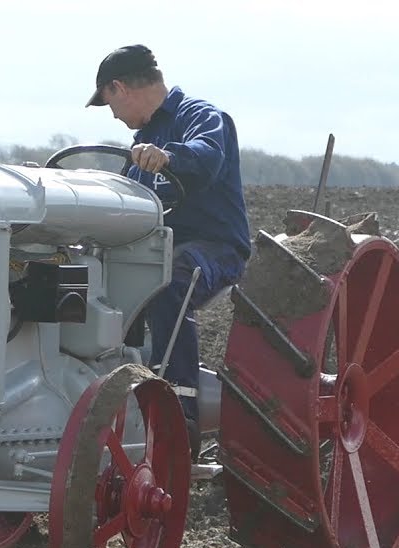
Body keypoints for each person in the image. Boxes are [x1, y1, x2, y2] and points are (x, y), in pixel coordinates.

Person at [86, 44, 251, 461]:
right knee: (91, 279)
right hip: (157, 250)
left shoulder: (202, 117)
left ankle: (180, 413)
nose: (113, 116)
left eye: (109, 104)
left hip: (215, 246)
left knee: (170, 281)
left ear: (119, 88)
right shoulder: (142, 143)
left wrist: (170, 157)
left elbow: (207, 158)